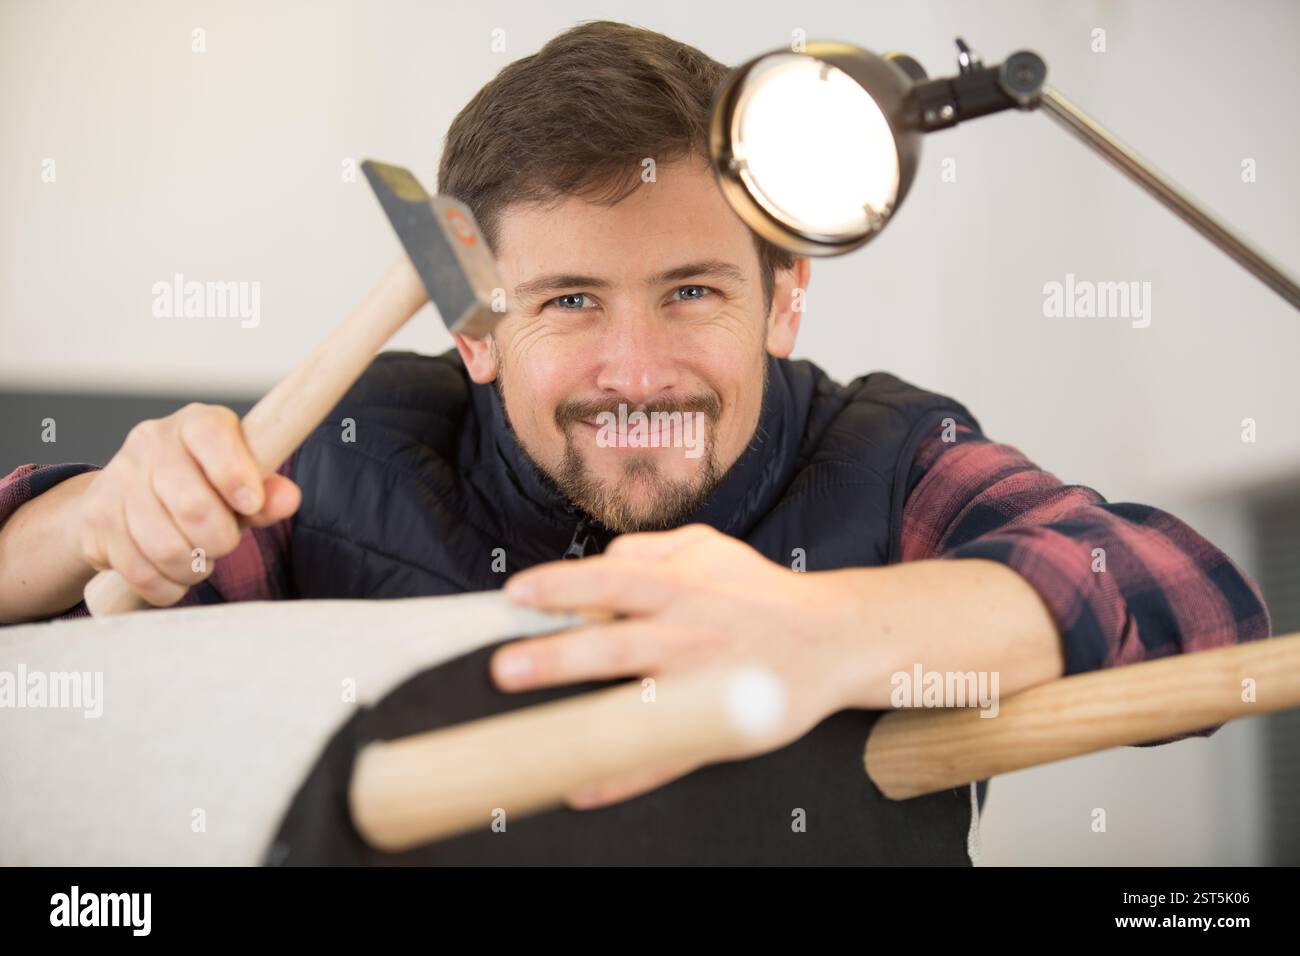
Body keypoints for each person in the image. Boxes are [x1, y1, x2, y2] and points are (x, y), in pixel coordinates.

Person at [0, 21, 1270, 813]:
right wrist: (92, 518)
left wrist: (822, 632)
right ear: (476, 332)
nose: (637, 368)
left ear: (784, 302)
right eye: (566, 299)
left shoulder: (888, 455)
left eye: (693, 291)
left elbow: (1191, 597)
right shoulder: (331, 460)